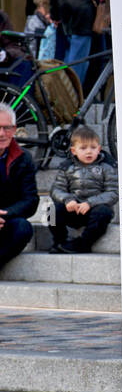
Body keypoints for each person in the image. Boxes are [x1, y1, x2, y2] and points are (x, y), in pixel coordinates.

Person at [48, 125, 117, 255]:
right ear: (74, 151)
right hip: (73, 209)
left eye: (93, 147)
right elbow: (56, 189)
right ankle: (59, 241)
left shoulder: (106, 168)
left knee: (104, 212)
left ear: (99, 149)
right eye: (83, 148)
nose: (89, 152)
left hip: (94, 210)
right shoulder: (67, 168)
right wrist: (68, 200)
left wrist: (90, 203)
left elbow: (113, 192)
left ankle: (83, 243)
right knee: (51, 210)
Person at [0, 104, 37, 269]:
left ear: (14, 130)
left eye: (6, 128)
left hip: (6, 220)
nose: (1, 134)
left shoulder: (24, 158)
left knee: (23, 228)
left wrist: (5, 214)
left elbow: (30, 200)